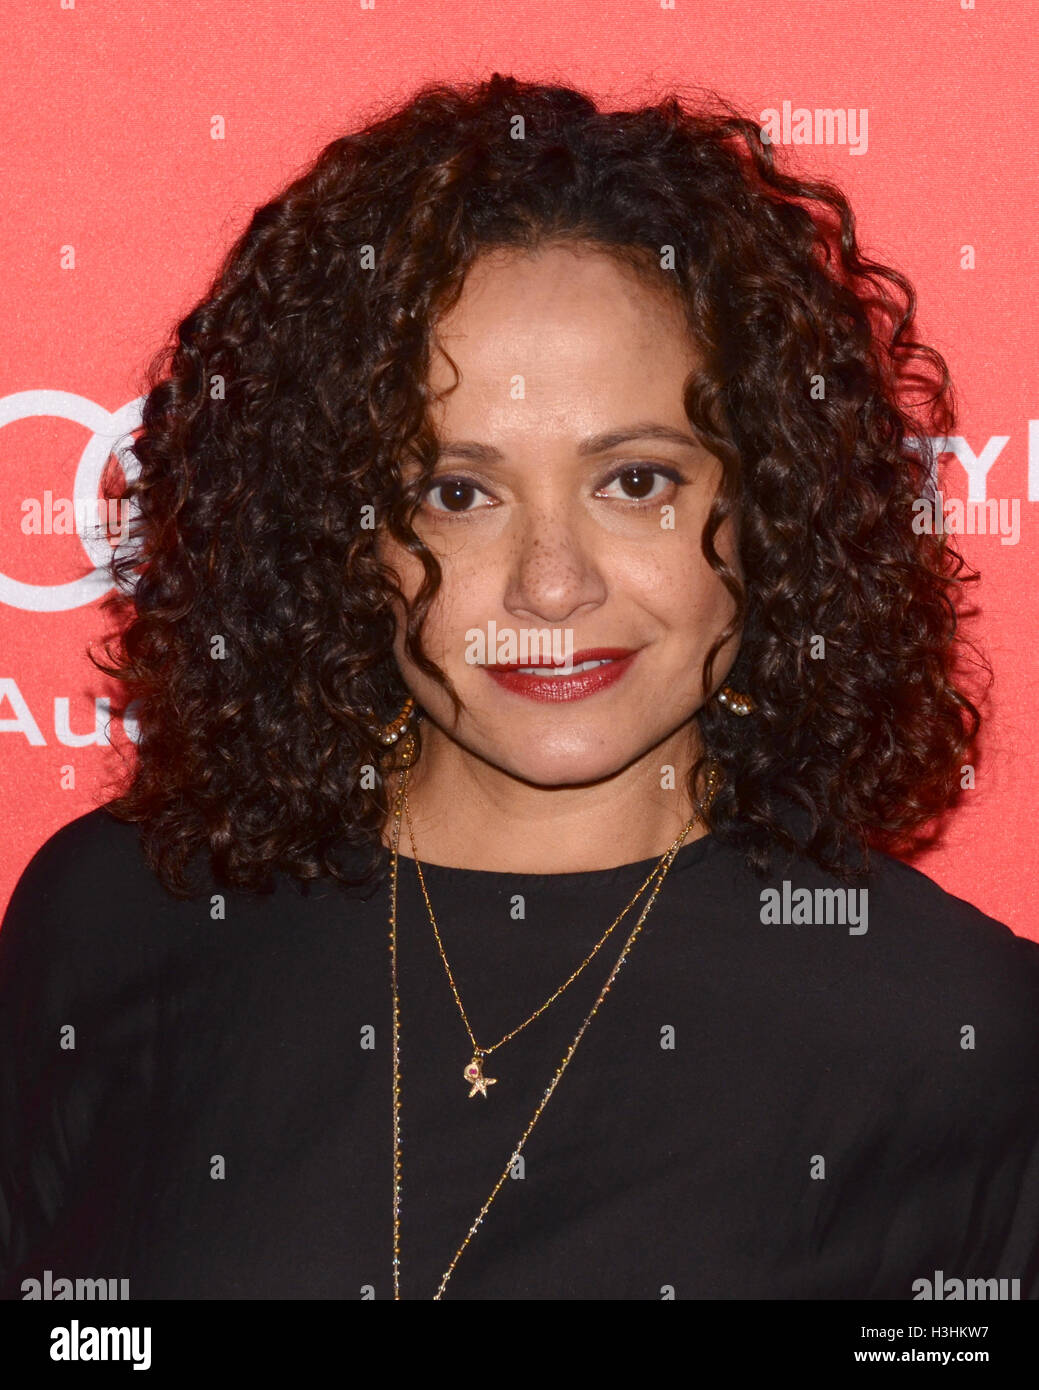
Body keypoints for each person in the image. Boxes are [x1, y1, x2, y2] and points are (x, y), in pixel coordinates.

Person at [2, 74, 1038, 1303]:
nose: (552, 587)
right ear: (335, 532)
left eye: (637, 482)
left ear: (771, 504)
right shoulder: (124, 916)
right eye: (457, 492)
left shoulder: (954, 1030)